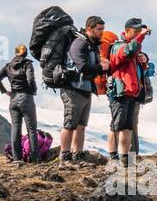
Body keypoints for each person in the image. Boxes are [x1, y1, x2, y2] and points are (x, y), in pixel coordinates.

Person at [60, 16, 109, 163]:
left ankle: (77, 155)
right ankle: (65, 156)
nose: (102, 32)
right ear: (89, 29)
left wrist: (101, 66)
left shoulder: (91, 45)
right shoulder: (79, 43)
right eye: (99, 29)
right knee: (70, 125)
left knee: (81, 126)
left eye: (103, 29)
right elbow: (81, 67)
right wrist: (101, 67)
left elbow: (91, 69)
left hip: (85, 89)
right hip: (73, 88)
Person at [106, 18, 152, 168]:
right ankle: (113, 156)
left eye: (139, 31)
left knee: (127, 126)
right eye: (136, 30)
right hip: (120, 92)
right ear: (127, 30)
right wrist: (142, 36)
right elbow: (128, 52)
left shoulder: (133, 48)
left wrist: (144, 60)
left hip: (132, 93)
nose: (138, 33)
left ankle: (125, 158)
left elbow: (142, 68)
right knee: (116, 125)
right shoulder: (119, 47)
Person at [0, 45, 39, 163]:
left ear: (15, 53)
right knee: (32, 129)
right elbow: (30, 80)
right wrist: (33, 90)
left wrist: (5, 91)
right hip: (26, 98)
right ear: (26, 54)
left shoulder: (8, 66)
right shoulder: (27, 64)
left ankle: (17, 158)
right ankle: (35, 159)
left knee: (15, 128)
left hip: (13, 99)